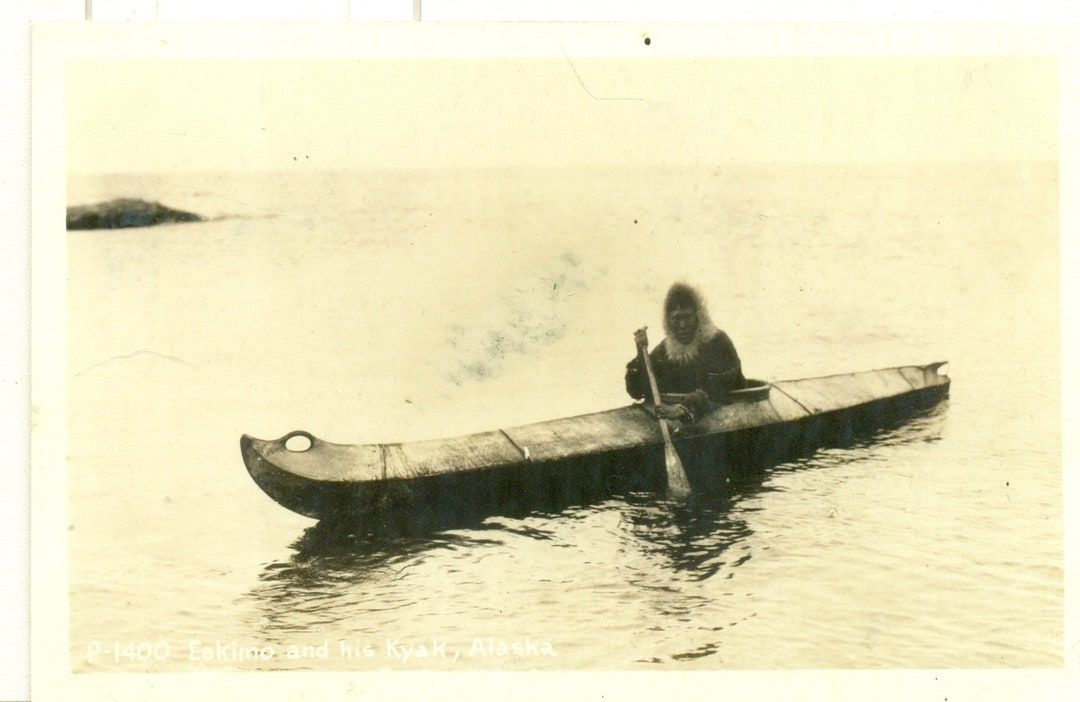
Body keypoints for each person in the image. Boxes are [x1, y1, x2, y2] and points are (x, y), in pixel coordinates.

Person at [625, 282, 745, 424]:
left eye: (687, 317)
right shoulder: (664, 350)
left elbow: (720, 386)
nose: (682, 325)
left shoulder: (717, 342)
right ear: (668, 321)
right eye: (676, 318)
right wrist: (641, 352)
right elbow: (637, 391)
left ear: (698, 316)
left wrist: (683, 409)